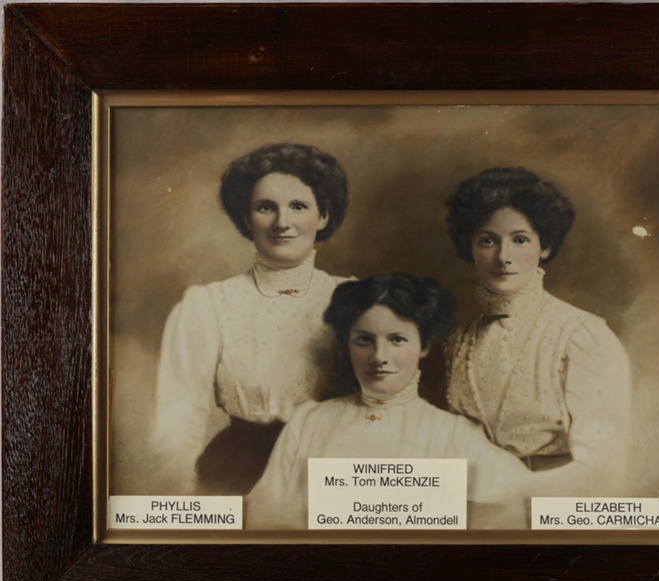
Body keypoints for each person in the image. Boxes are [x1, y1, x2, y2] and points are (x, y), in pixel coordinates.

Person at [246, 273, 535, 529]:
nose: (378, 357)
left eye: (397, 340)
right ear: (347, 343)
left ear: (423, 346)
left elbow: (527, 497)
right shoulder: (309, 422)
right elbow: (262, 512)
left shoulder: (455, 434)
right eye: (363, 340)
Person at [153, 143, 351, 495]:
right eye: (265, 208)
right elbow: (176, 421)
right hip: (238, 474)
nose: (282, 223)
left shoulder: (355, 299)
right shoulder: (208, 305)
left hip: (332, 474)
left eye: (298, 207)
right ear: (247, 219)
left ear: (323, 216)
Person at [444, 167, 632, 496]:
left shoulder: (582, 335)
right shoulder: (459, 343)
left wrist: (513, 493)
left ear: (544, 246)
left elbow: (600, 465)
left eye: (520, 240)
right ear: (469, 247)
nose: (503, 257)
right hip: (477, 509)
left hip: (559, 507)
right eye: (488, 241)